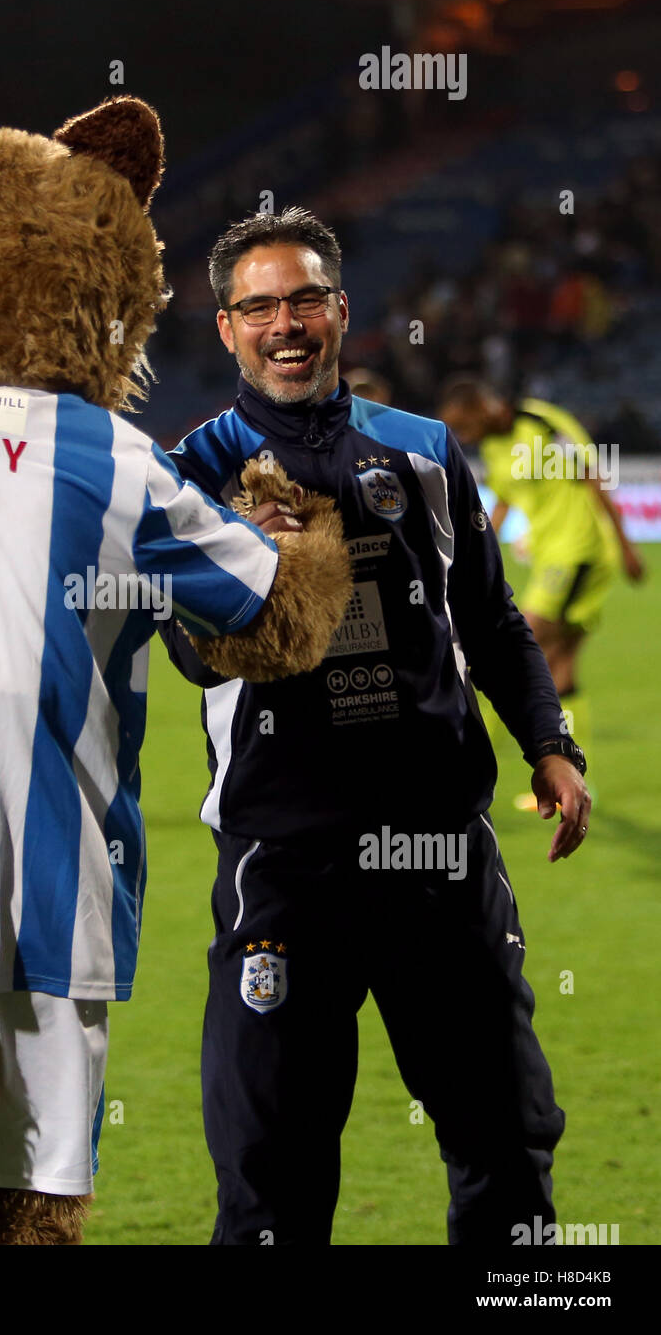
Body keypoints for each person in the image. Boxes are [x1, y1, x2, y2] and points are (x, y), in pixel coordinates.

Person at [158, 206, 590, 1246]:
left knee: (504, 1142)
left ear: (341, 311)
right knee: (269, 1173)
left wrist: (551, 744)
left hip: (437, 848)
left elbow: (491, 621)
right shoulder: (191, 476)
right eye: (257, 306)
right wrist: (245, 571)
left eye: (305, 298)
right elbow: (183, 653)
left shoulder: (427, 453)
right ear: (226, 330)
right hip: (284, 859)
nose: (285, 322)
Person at [439, 379, 644, 787]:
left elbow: (593, 476)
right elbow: (503, 500)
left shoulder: (542, 423)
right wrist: (474, 546)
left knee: (512, 645)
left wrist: (625, 546)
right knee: (562, 667)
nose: (466, 438)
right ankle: (573, 773)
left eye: (466, 428)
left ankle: (476, 751)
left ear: (481, 408)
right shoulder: (495, 448)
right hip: (554, 555)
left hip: (580, 551)